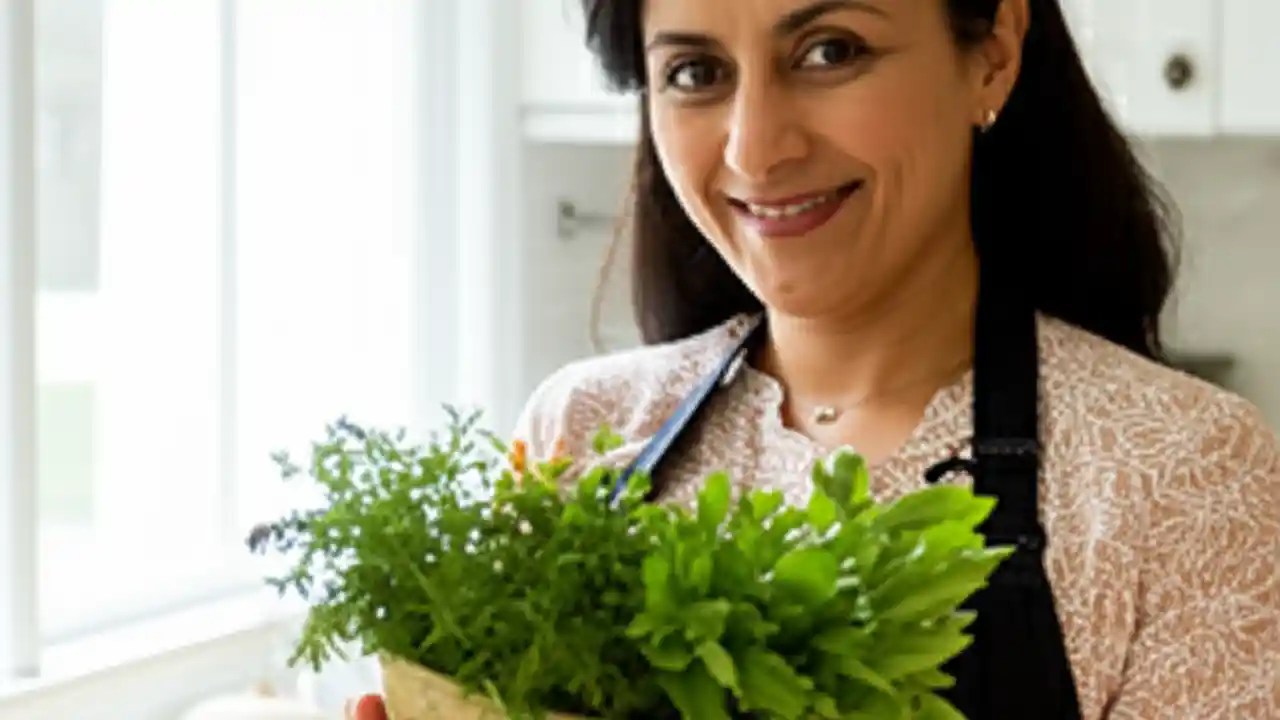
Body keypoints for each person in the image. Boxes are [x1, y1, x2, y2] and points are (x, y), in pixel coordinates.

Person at [352, 0, 1280, 718]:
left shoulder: (1185, 477)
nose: (757, 149)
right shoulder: (586, 436)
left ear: (993, 46)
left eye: (829, 50)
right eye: (695, 71)